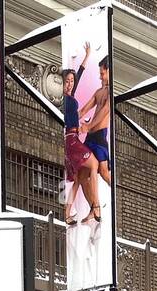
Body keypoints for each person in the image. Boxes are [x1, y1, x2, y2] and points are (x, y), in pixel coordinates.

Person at [61, 48, 103, 231]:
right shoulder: (62, 99)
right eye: (66, 81)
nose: (70, 84)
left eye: (71, 81)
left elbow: (79, 73)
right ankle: (96, 207)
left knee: (78, 179)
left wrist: (86, 57)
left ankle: (67, 213)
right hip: (71, 140)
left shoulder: (69, 97)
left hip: (72, 138)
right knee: (93, 165)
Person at [79, 54, 112, 188]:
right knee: (81, 176)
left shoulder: (111, 92)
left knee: (104, 172)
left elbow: (105, 111)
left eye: (102, 73)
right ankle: (94, 207)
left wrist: (89, 126)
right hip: (90, 137)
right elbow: (84, 110)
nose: (100, 77)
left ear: (109, 71)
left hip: (99, 137)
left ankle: (114, 190)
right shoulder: (99, 92)